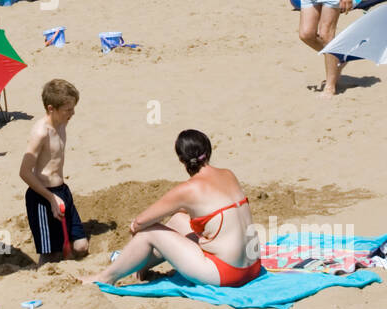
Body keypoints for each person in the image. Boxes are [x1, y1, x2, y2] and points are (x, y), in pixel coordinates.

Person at [83, 130, 260, 288]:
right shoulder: (228, 174)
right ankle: (140, 266)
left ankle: (106, 277)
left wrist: (134, 234)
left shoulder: (187, 190)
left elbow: (139, 223)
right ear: (209, 151)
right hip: (252, 267)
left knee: (148, 232)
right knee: (178, 220)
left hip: (227, 274)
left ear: (182, 160)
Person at [19, 79, 88, 263]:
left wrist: (58, 196)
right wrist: (50, 198)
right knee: (51, 255)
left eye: (73, 108)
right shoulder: (40, 133)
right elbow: (24, 172)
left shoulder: (62, 123)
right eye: (68, 109)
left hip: (62, 190)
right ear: (51, 108)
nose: (72, 113)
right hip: (42, 196)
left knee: (81, 246)